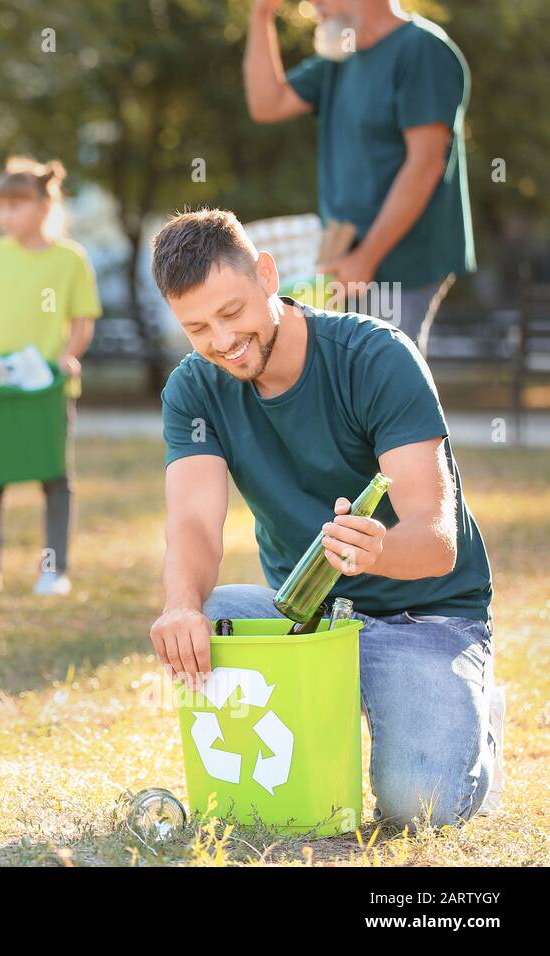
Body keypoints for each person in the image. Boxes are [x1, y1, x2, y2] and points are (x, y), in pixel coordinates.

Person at [147, 209, 498, 829]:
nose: (222, 341)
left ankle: (470, 715)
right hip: (305, 617)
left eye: (231, 313)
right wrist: (179, 604)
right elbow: (195, 524)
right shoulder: (194, 388)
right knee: (205, 615)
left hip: (425, 614)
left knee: (421, 807)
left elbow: (439, 538)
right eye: (197, 327)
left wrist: (376, 549)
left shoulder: (376, 357)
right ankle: (335, 715)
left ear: (266, 274)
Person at [244, 0, 474, 356]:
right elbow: (267, 104)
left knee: (387, 387)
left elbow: (426, 164)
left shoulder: (422, 50)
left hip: (402, 264)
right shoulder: (340, 61)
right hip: (345, 260)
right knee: (353, 393)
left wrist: (367, 256)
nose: (312, 5)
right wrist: (261, 15)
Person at [0, 158, 101, 597]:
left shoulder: (71, 260)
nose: (6, 215)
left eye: (16, 205)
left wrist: (68, 357)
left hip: (46, 390)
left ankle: (54, 571)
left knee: (53, 478)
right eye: (1, 206)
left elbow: (81, 322)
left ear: (42, 206)